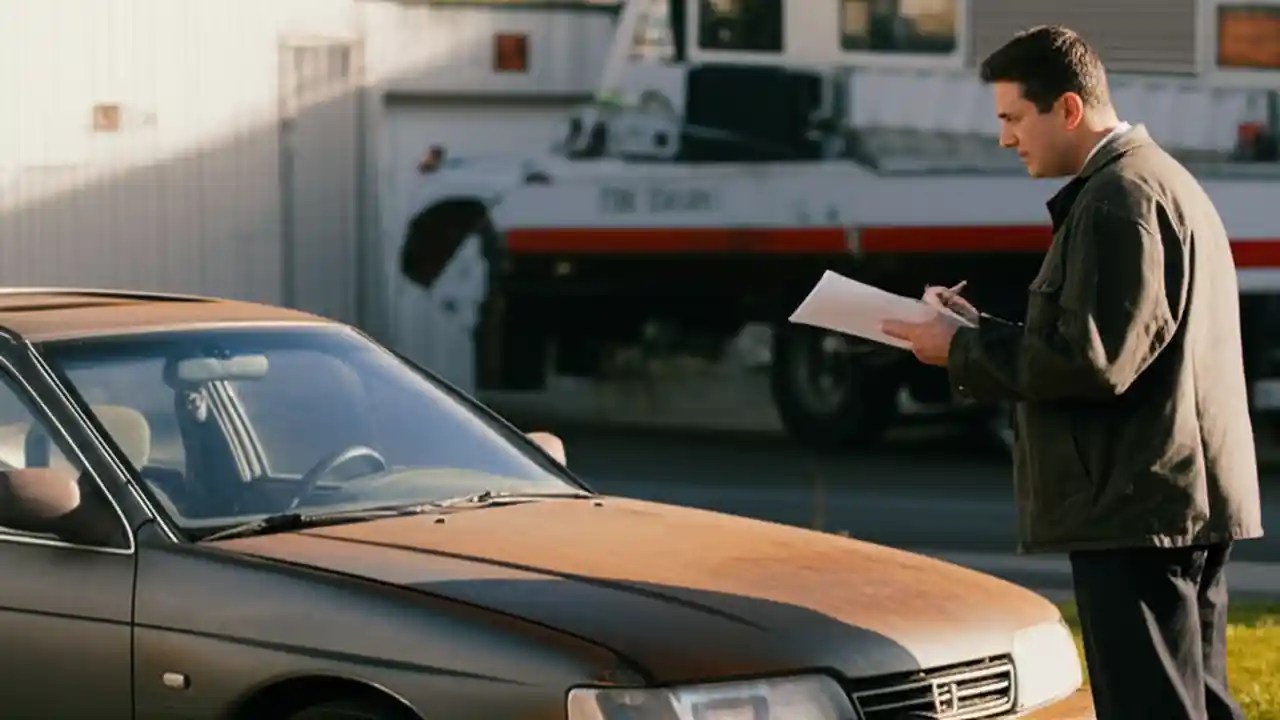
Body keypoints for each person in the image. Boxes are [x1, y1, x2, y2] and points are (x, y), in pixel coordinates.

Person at [881, 25, 1264, 720]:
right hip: (1176, 500)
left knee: (1150, 707)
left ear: (1068, 108)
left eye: (1012, 118)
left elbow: (1095, 361)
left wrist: (959, 351)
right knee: (1195, 703)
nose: (1005, 138)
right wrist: (977, 332)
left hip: (1136, 508)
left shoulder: (1119, 198)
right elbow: (1112, 343)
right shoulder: (1156, 180)